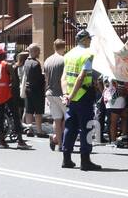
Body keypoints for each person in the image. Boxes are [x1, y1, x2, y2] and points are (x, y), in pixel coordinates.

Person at [61, 29, 102, 171]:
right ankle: (85, 161)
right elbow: (81, 76)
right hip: (83, 95)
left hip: (71, 97)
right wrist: (72, 95)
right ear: (84, 40)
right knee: (87, 128)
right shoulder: (88, 55)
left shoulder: (68, 55)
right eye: (89, 39)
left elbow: (64, 77)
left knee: (69, 127)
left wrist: (66, 95)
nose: (90, 41)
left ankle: (66, 159)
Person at [44, 39, 67, 152]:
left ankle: (59, 142)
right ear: (64, 47)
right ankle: (59, 140)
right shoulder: (64, 60)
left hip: (50, 93)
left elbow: (46, 79)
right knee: (68, 118)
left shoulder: (47, 60)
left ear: (54, 47)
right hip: (61, 93)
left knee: (57, 119)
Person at [21, 45, 47, 138]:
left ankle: (29, 129)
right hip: (36, 90)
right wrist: (44, 78)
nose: (39, 53)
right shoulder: (36, 63)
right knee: (38, 111)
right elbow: (39, 79)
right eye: (38, 51)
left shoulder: (26, 62)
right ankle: (39, 131)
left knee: (29, 110)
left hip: (28, 89)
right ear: (35, 51)